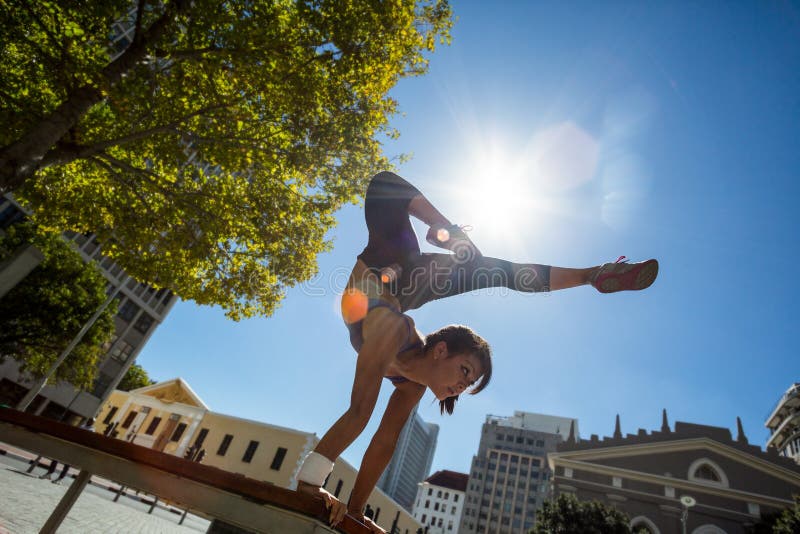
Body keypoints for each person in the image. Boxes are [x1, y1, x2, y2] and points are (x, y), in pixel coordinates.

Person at [296, 172, 658, 532]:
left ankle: (593, 276)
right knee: (387, 187)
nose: (462, 388)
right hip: (387, 268)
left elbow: (385, 440)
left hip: (404, 289)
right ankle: (446, 230)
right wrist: (310, 487)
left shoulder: (412, 384)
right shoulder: (393, 331)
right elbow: (359, 413)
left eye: (468, 384)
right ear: (440, 351)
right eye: (465, 372)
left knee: (490, 271)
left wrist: (355, 514)